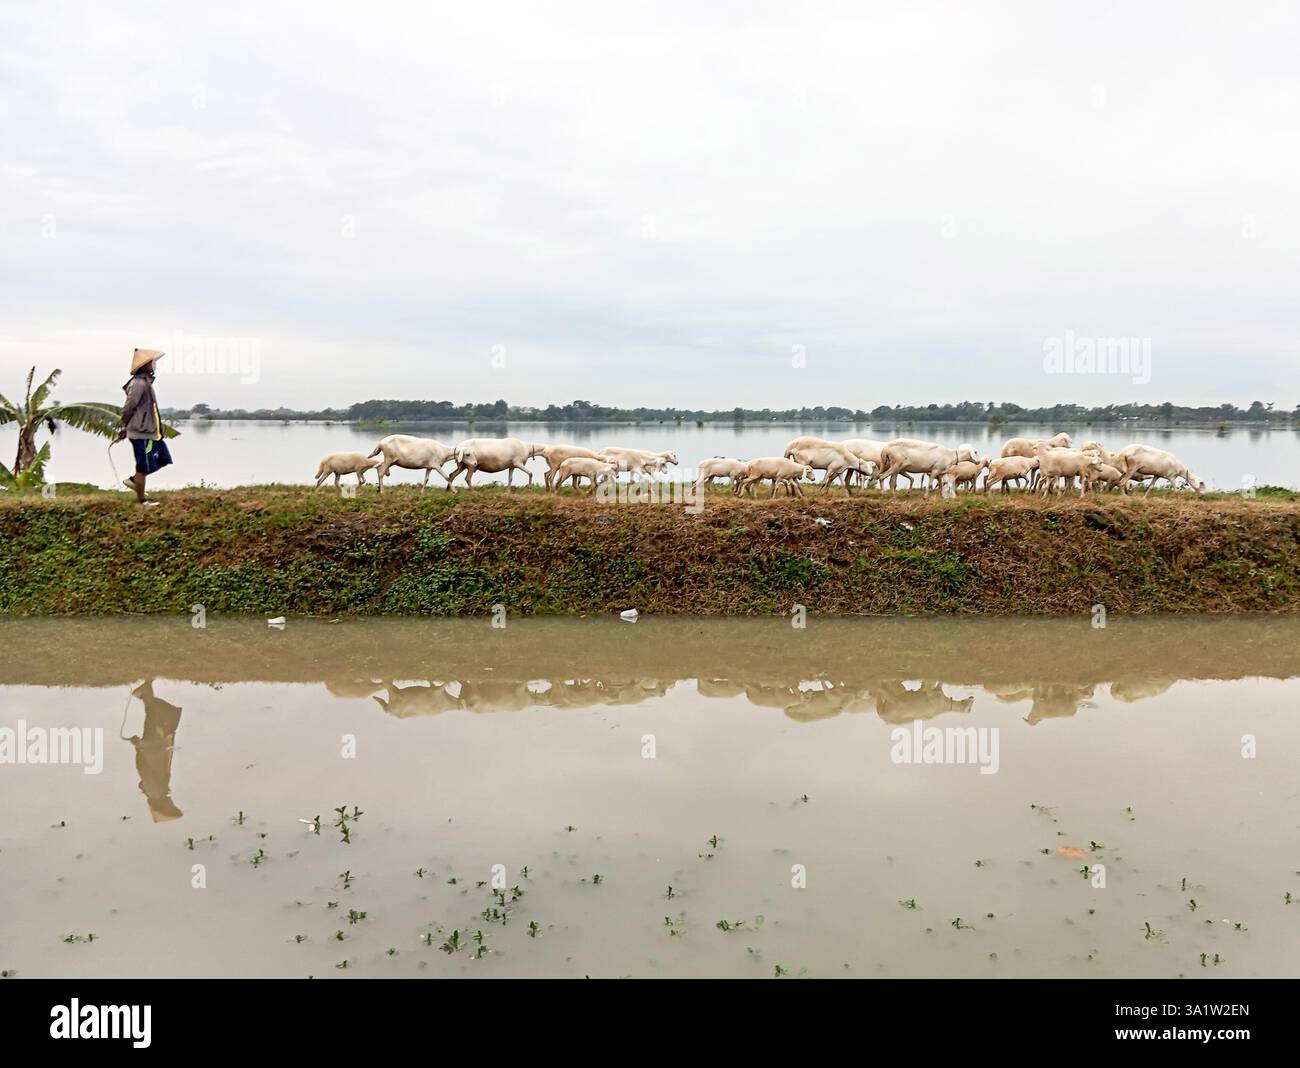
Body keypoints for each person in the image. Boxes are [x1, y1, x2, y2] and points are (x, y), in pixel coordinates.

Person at [116, 348, 172, 505]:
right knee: (142, 466)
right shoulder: (139, 383)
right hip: (141, 432)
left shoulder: (147, 382)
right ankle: (142, 500)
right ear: (145, 364)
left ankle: (135, 481)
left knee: (164, 459)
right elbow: (129, 406)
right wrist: (124, 427)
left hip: (152, 432)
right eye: (152, 362)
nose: (155, 365)